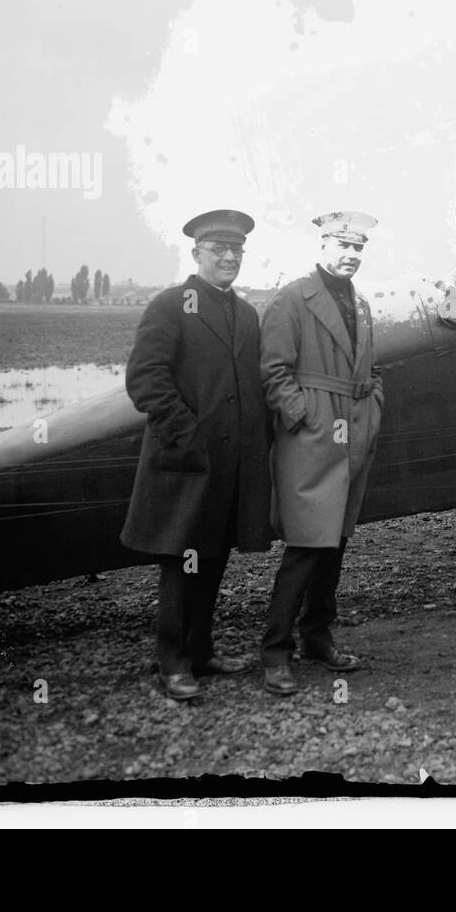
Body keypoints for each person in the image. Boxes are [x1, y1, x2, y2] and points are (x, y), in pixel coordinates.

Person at [120, 209, 274, 701]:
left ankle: (201, 651)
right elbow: (145, 379)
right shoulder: (170, 305)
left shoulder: (246, 313)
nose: (229, 258)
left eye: (237, 251)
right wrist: (187, 434)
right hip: (187, 464)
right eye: (218, 250)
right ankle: (174, 662)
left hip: (230, 468)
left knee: (212, 559)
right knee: (183, 563)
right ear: (197, 254)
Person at [259, 210, 384, 695]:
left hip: (352, 430)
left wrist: (374, 408)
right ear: (322, 247)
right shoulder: (292, 298)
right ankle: (274, 652)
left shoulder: (363, 304)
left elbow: (369, 370)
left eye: (358, 248)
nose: (351, 255)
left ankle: (318, 636)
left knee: (335, 542)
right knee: (307, 545)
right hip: (312, 436)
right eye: (342, 246)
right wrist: (305, 418)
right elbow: (273, 372)